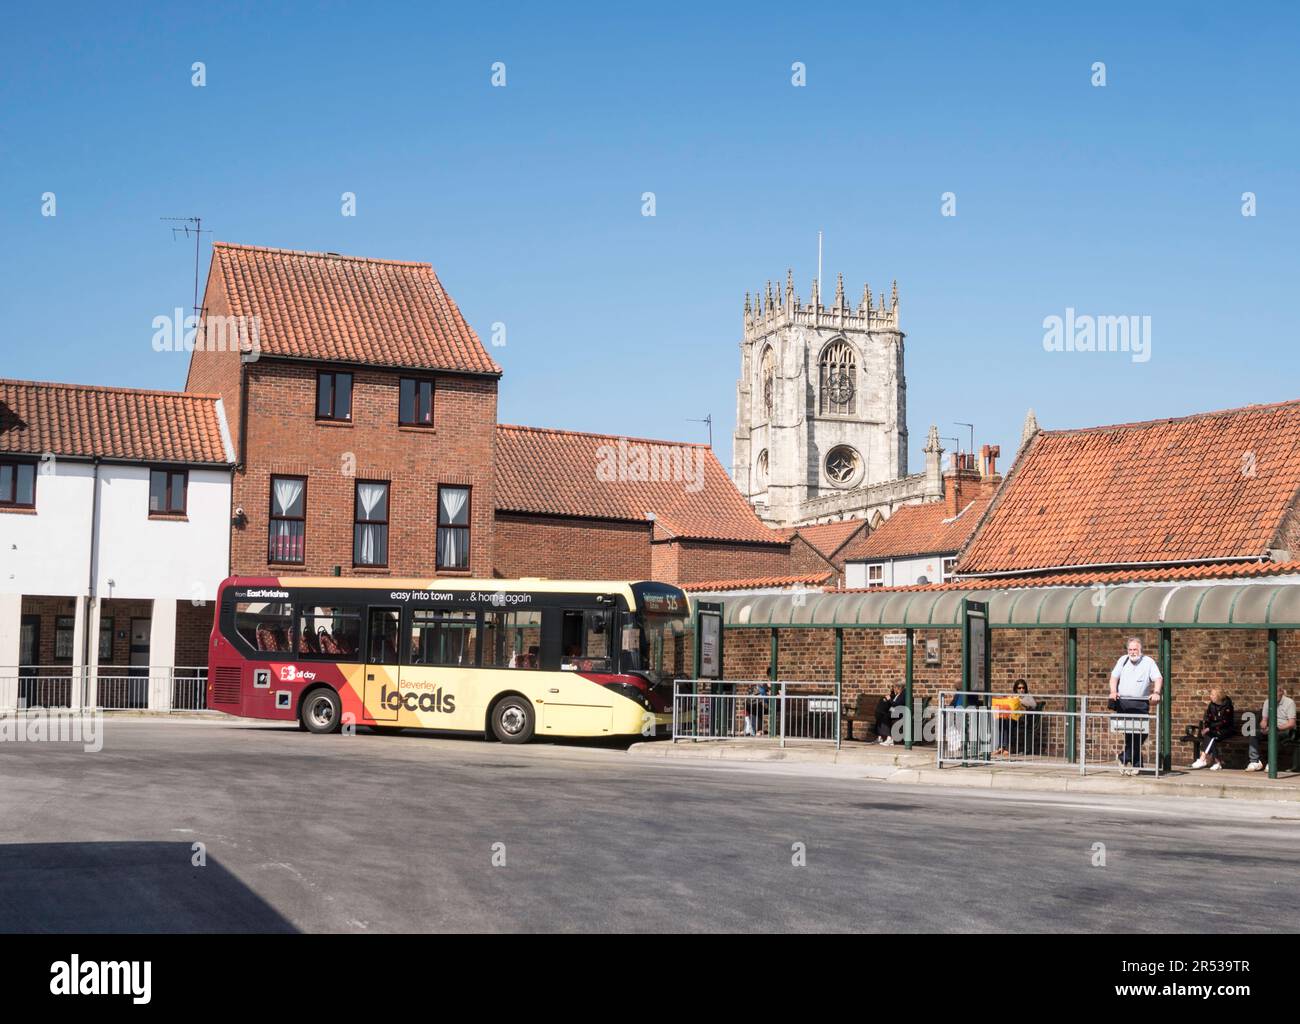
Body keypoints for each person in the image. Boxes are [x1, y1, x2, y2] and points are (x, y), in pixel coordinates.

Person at [1109, 637, 1163, 776]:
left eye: (1135, 649)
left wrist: (1156, 692)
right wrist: (1113, 691)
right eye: (1130, 649)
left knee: (1141, 734)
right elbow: (1114, 677)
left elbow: (1158, 678)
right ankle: (1137, 764)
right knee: (1130, 736)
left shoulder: (1148, 662)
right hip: (1124, 703)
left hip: (1140, 703)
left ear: (1141, 650)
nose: (1132, 652)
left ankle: (1124, 757)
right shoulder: (1123, 660)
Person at [1246, 686, 1297, 771]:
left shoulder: (1289, 702)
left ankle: (1271, 763)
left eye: (1275, 694)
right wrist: (1264, 726)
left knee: (1274, 735)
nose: (1272, 696)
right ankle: (1255, 761)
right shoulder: (1267, 702)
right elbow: (1264, 720)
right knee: (1254, 733)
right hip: (1271, 729)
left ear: (1281, 692)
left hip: (1285, 730)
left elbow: (1291, 723)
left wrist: (1274, 728)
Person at [1191, 688, 1235, 770]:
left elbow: (1224, 722)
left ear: (1218, 696)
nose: (1210, 696)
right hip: (1214, 730)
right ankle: (1217, 762)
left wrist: (1209, 729)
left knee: (1211, 735)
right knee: (1212, 737)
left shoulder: (1228, 706)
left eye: (1212, 695)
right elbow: (1208, 718)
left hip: (1226, 730)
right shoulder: (1211, 705)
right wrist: (1206, 727)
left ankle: (1202, 758)